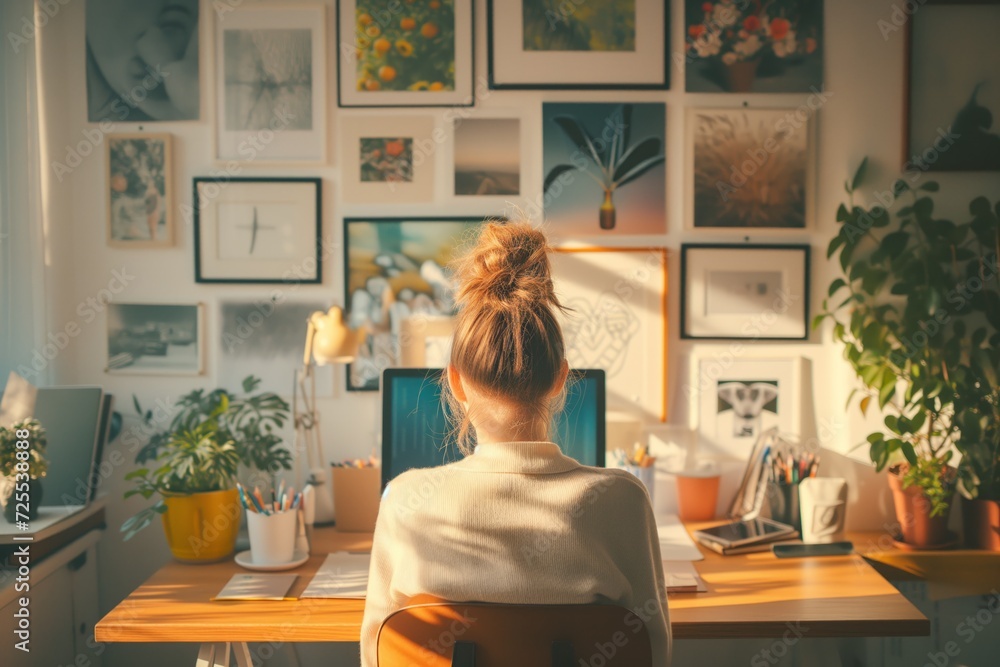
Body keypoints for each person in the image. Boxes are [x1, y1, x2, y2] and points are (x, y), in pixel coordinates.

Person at [360, 221, 670, 666]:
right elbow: (652, 654)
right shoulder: (622, 500)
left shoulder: (405, 500)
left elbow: (378, 656)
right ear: (561, 379)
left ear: (456, 384)